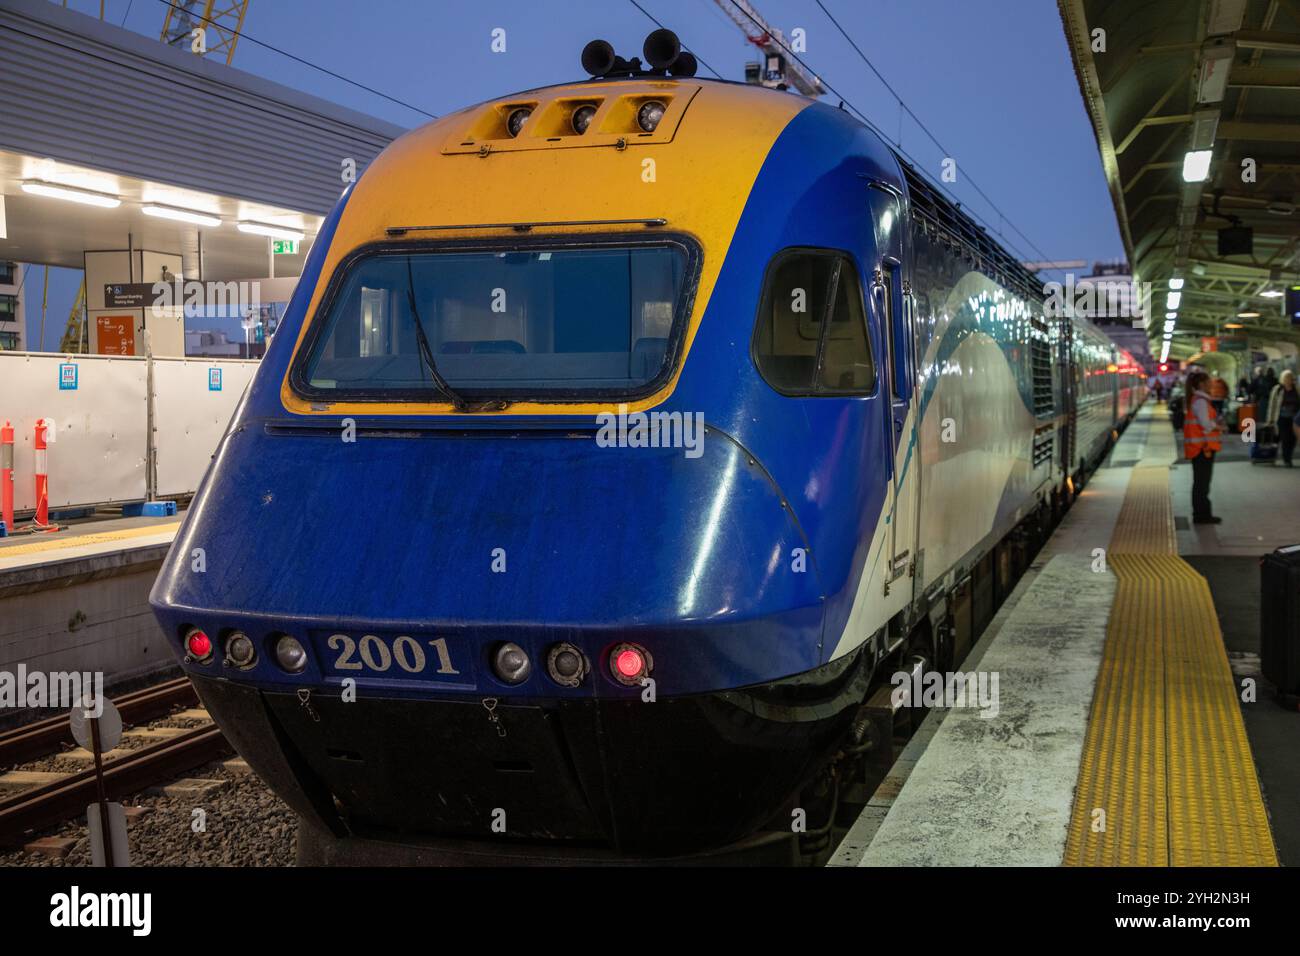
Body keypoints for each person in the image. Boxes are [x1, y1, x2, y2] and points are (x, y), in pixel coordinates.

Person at [1184, 370, 1223, 524]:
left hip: (1200, 448)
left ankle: (1201, 514)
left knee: (1201, 483)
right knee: (1202, 484)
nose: (1211, 384)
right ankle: (1202, 516)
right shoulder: (1200, 402)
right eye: (1209, 382)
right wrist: (1219, 427)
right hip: (1202, 449)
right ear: (1202, 384)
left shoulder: (1199, 400)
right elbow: (1206, 425)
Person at [1266, 369, 1299, 467]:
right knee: (1285, 438)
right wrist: (1270, 420)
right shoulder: (1278, 389)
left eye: (1290, 378)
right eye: (1287, 378)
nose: (1289, 380)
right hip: (1281, 418)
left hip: (1294, 419)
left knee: (1293, 439)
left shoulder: (1296, 389)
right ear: (1283, 379)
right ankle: (1287, 460)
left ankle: (1288, 456)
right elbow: (1272, 405)